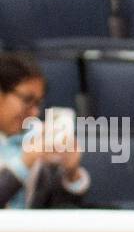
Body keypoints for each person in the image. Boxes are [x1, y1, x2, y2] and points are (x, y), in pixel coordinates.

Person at [0, 53, 91, 208]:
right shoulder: (31, 150)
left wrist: (71, 174)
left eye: (38, 103)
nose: (35, 113)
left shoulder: (37, 139)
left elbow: (60, 213)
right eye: (27, 100)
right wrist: (24, 162)